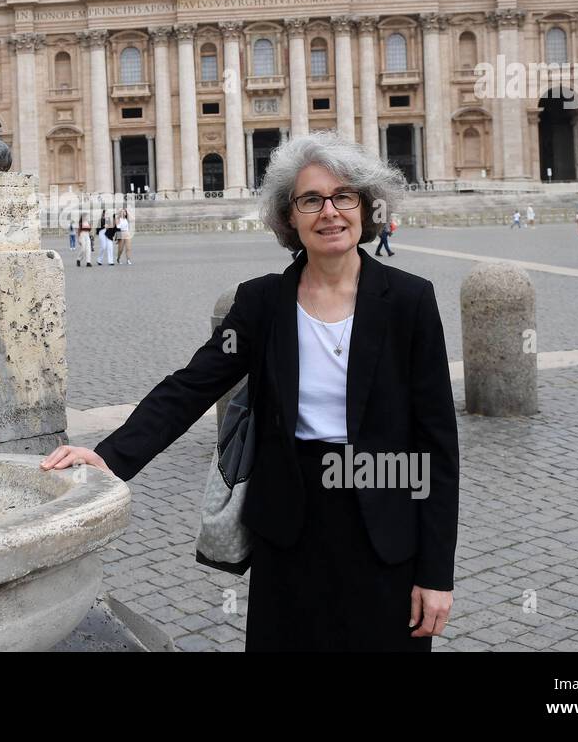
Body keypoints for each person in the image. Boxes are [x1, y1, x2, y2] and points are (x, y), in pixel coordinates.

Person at [42, 130, 459, 651]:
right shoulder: (262, 303)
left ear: (366, 207)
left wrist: (436, 572)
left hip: (386, 524)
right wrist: (109, 456)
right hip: (290, 524)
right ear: (289, 217)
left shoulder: (410, 301)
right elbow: (192, 386)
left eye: (343, 197)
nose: (329, 212)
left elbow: (437, 446)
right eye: (311, 200)